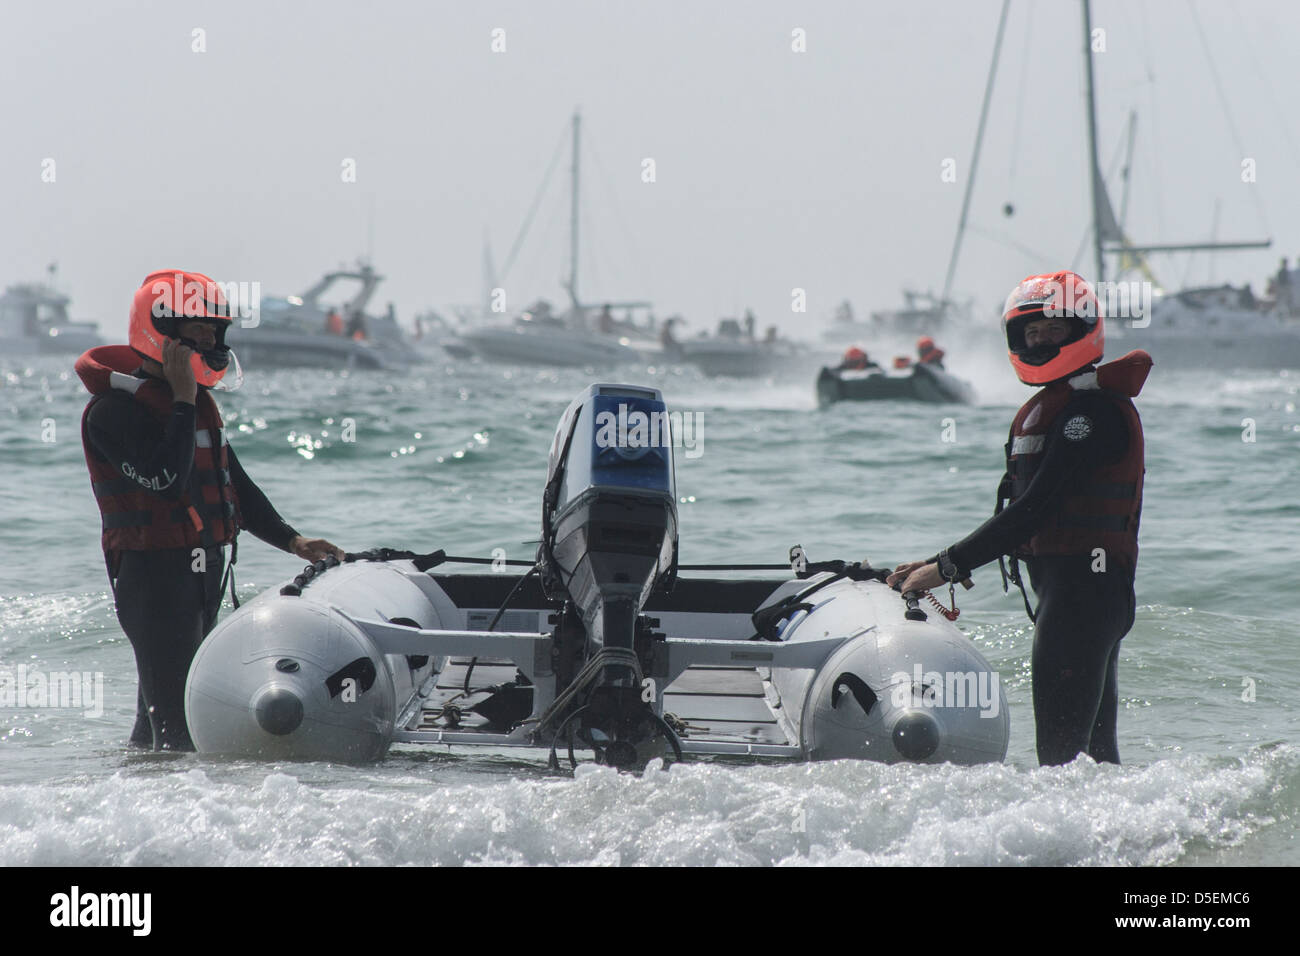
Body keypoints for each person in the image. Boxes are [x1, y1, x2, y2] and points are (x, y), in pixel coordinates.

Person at [887, 271, 1150, 766]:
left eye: (1052, 329)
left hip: (1083, 599)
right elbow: (1023, 514)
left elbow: (1034, 510)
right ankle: (1125, 840)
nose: (1041, 340)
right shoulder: (1060, 406)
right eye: (1031, 332)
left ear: (1082, 329)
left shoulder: (1089, 415)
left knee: (1059, 763)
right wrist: (938, 561)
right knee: (1091, 762)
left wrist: (944, 567)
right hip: (1080, 598)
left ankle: (1073, 844)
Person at [76, 269, 344, 751]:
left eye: (214, 330)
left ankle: (136, 800)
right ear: (161, 330)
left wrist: (293, 541)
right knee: (177, 730)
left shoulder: (194, 405)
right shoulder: (112, 412)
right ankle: (181, 812)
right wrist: (182, 398)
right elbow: (166, 482)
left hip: (200, 572)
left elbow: (234, 485)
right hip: (153, 577)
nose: (209, 339)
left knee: (155, 719)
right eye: (197, 329)